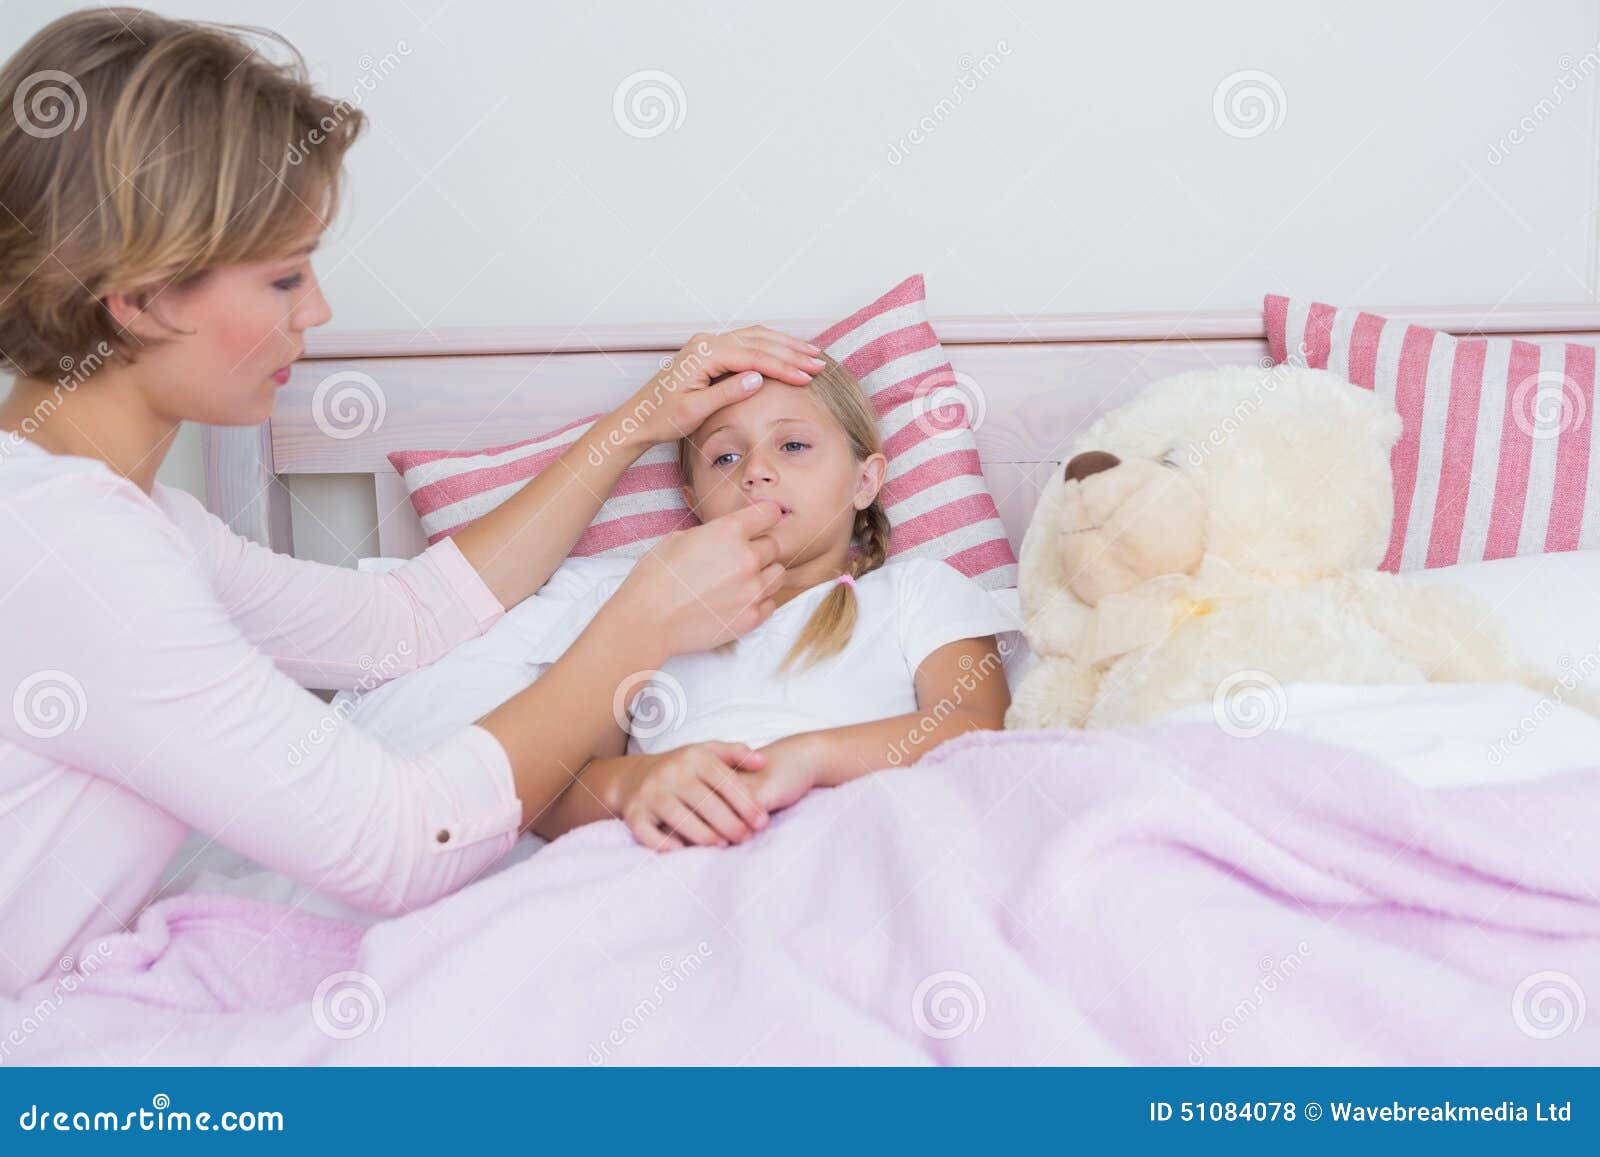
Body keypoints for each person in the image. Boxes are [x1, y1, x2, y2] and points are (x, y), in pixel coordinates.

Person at [0, 8, 823, 995]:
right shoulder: (73, 551)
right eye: (282, 277)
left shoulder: (118, 521)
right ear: (135, 299)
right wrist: (637, 625)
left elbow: (401, 624)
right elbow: (400, 846)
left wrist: (636, 423)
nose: (317, 311)